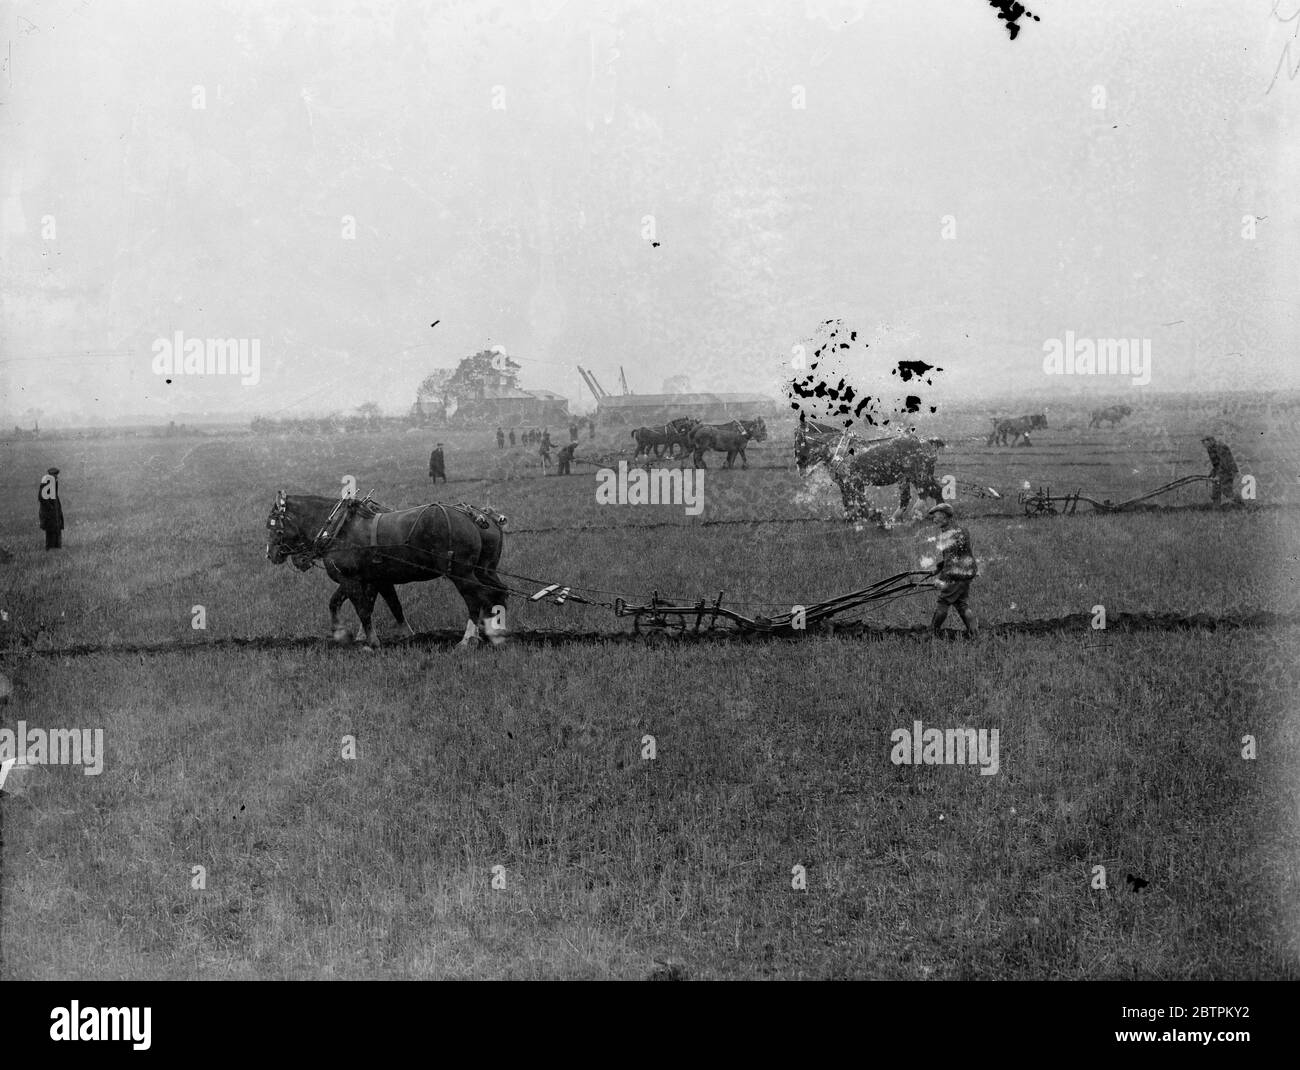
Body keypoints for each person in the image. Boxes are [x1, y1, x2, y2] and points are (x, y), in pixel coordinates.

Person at [926, 503, 977, 638]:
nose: (934, 520)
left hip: (956, 574)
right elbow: (959, 555)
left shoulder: (948, 534)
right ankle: (974, 633)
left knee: (943, 602)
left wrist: (941, 579)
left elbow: (951, 560)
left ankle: (932, 632)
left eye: (936, 517)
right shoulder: (961, 529)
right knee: (961, 604)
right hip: (967, 571)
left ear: (944, 516)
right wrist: (938, 567)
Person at [1202, 435, 1239, 505]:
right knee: (1216, 488)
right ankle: (1216, 508)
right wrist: (1213, 472)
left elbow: (1224, 463)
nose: (1203, 445)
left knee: (1226, 491)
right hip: (1221, 469)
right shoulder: (1210, 449)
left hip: (1229, 470)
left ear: (1211, 441)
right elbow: (1216, 463)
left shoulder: (1221, 447)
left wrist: (1218, 475)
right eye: (1202, 442)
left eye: (1205, 442)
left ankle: (1241, 504)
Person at [39, 466, 64, 550]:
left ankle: (55, 548)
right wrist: (51, 508)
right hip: (49, 512)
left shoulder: (52, 481)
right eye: (55, 475)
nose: (56, 477)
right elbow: (42, 498)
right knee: (51, 529)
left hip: (53, 510)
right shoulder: (48, 482)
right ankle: (50, 548)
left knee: (55, 528)